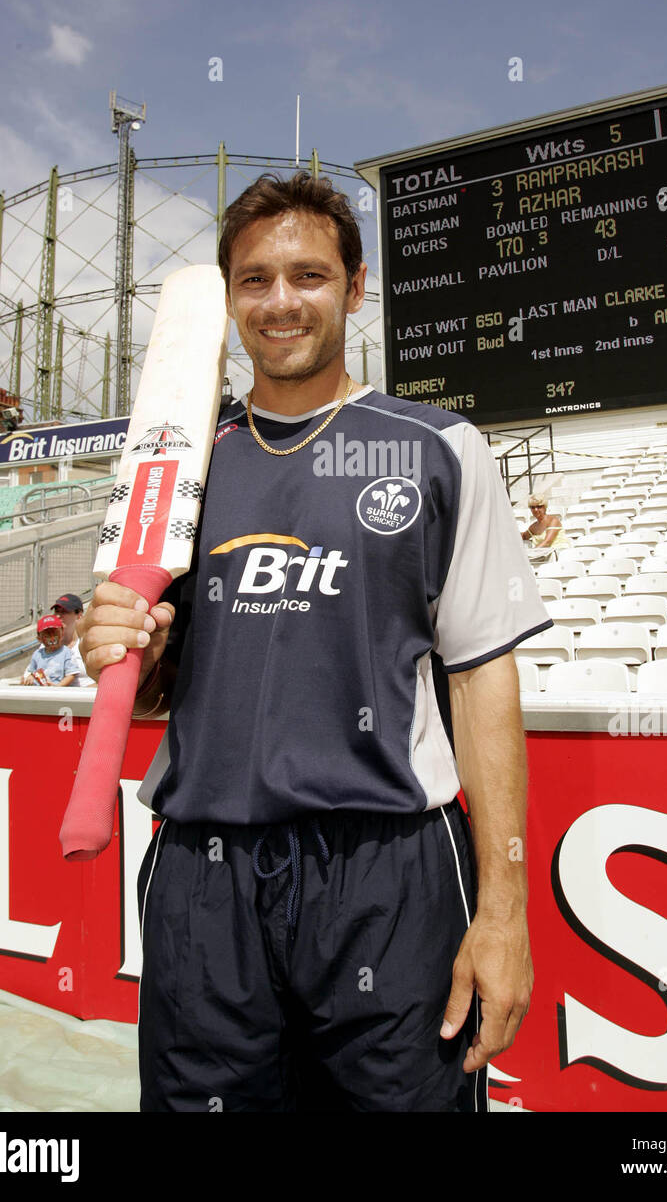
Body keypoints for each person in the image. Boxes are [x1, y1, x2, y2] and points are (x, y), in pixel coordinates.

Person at [79, 170, 552, 1112]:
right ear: (227, 301)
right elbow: (169, 680)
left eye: (309, 275)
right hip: (205, 880)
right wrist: (122, 647)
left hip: (388, 877)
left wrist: (504, 912)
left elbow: (481, 684)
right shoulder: (176, 469)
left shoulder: (436, 451)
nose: (282, 301)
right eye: (255, 280)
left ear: (356, 287)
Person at [20, 615, 81, 687]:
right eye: (47, 635)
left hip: (57, 691)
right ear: (39, 638)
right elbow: (32, 672)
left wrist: (58, 686)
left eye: (55, 633)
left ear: (62, 633)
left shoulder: (66, 653)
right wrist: (30, 677)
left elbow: (71, 674)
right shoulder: (37, 654)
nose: (52, 638)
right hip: (39, 690)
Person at [51, 594, 89, 685]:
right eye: (57, 611)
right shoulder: (47, 643)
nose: (58, 616)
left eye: (64, 612)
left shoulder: (88, 644)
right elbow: (29, 673)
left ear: (79, 615)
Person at [521, 493, 570, 558]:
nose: (536, 510)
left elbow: (547, 542)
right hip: (542, 555)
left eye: (539, 506)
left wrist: (531, 553)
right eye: (532, 507)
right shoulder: (533, 527)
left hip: (560, 554)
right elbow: (523, 536)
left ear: (545, 507)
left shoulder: (553, 521)